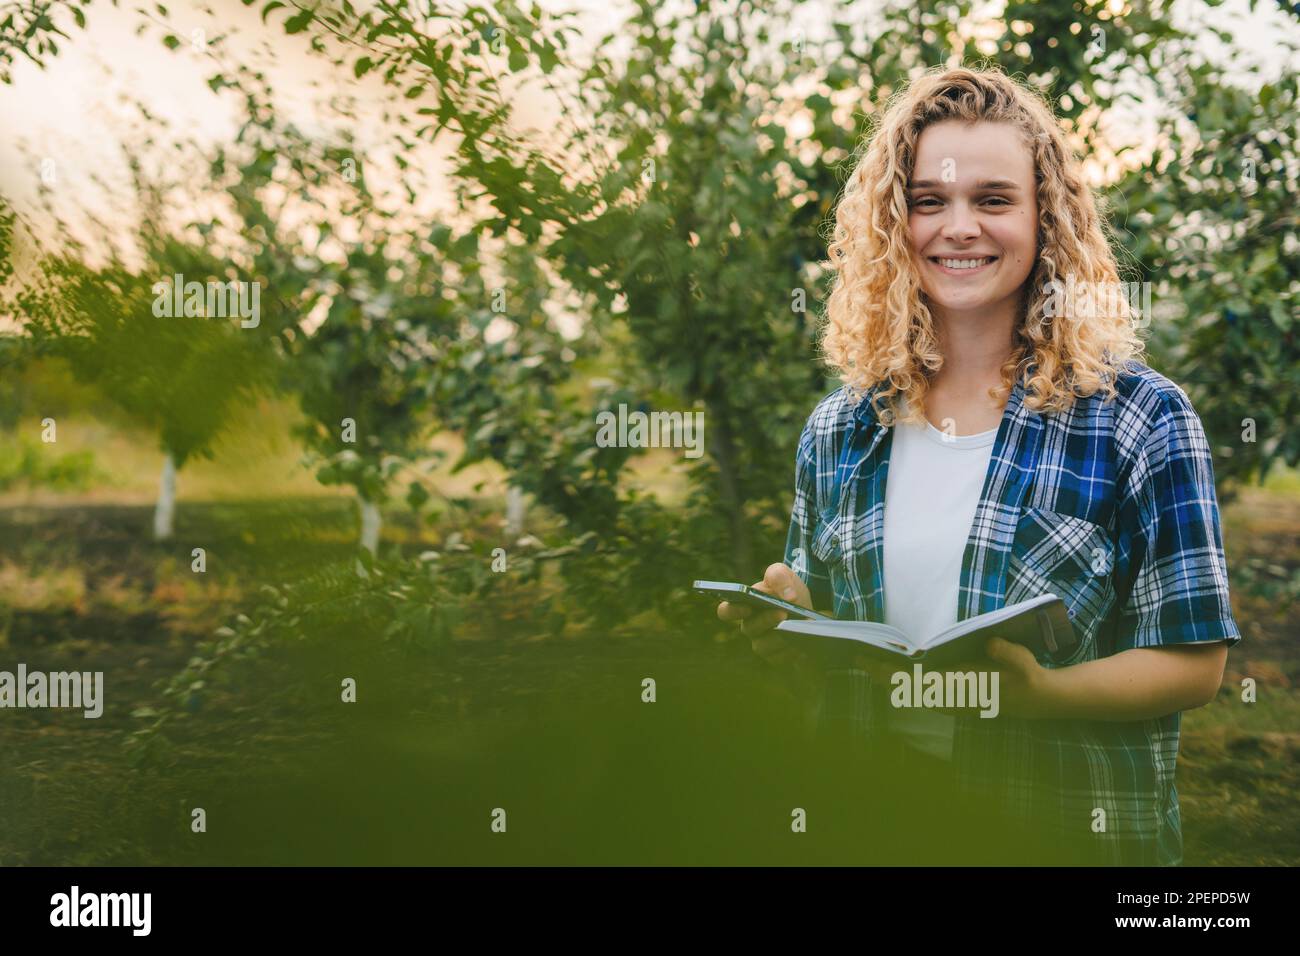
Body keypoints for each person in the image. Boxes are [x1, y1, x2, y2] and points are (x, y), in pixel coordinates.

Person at [717, 65, 1240, 866]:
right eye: (930, 201)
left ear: (1045, 221)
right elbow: (836, 641)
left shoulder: (1141, 417)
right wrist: (793, 619)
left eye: (993, 200)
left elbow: (1196, 663)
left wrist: (1040, 696)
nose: (958, 226)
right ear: (896, 223)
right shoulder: (839, 429)